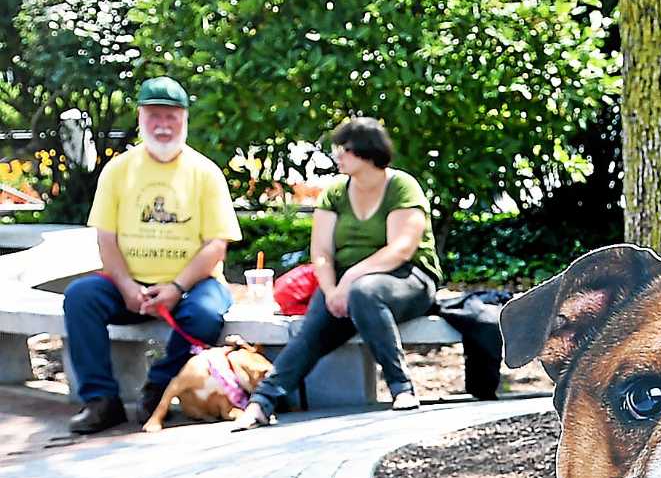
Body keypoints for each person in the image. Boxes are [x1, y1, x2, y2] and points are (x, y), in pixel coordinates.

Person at [233, 117, 442, 428]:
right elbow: (321, 252)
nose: (338, 156)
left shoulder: (401, 186)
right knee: (312, 331)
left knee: (364, 292)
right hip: (345, 287)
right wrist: (331, 291)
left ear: (367, 151)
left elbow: (401, 249)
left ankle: (402, 387)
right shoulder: (335, 193)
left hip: (407, 278)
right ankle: (262, 402)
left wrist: (349, 280)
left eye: (345, 149)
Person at [61, 77, 240, 434]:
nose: (162, 125)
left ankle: (157, 391)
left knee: (205, 314)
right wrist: (126, 285)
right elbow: (106, 238)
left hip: (193, 284)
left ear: (184, 118)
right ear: (141, 117)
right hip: (130, 284)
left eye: (170, 117)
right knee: (80, 298)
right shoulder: (118, 170)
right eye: (154, 116)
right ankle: (100, 401)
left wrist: (176, 285)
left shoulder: (205, 173)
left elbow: (216, 244)